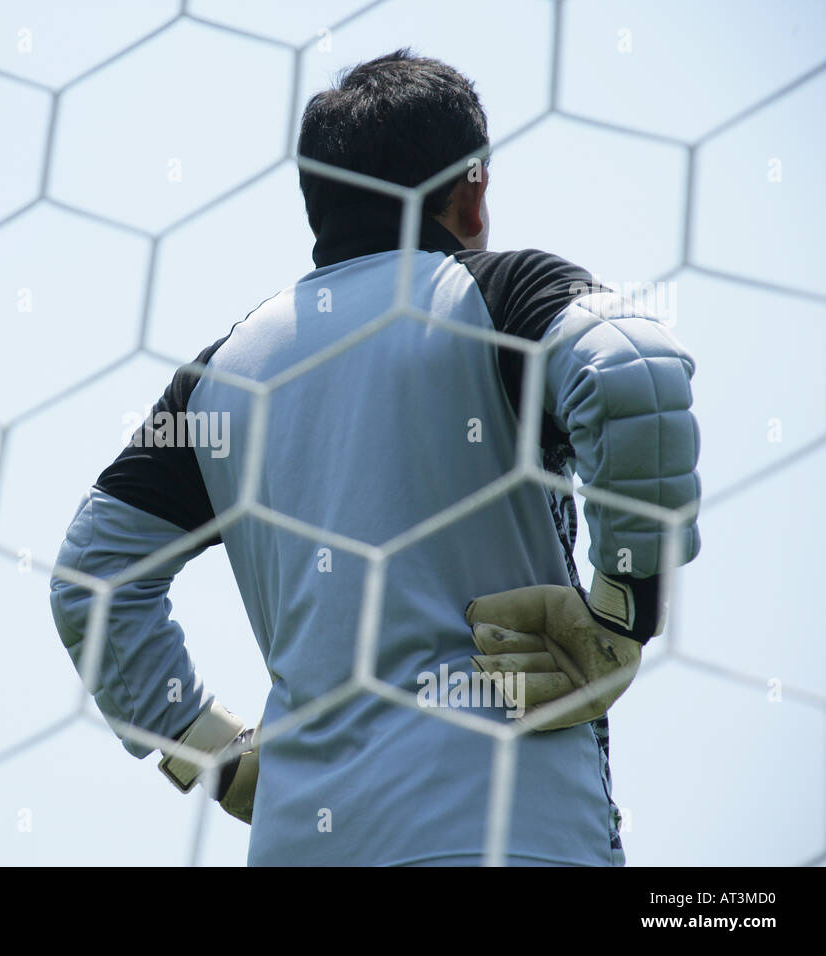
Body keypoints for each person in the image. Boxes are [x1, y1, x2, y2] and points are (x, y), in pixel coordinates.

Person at [49, 49, 700, 866]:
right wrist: (622, 610)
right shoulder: (494, 295)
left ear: (318, 204)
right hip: (506, 832)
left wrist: (206, 749)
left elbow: (93, 578)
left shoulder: (220, 376)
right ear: (472, 190)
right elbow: (633, 373)